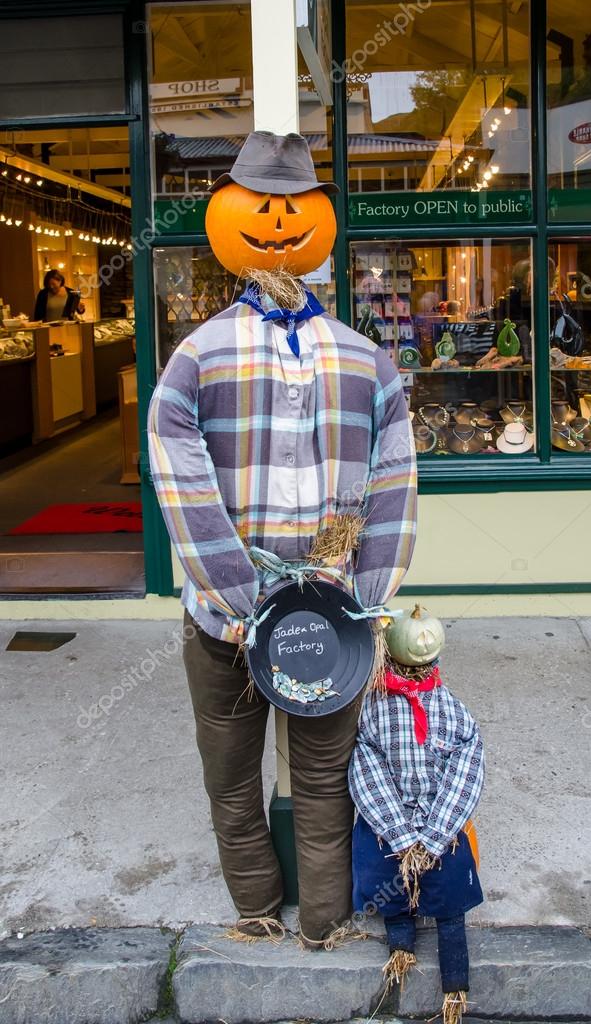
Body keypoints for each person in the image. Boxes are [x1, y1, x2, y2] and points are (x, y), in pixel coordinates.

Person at [147, 131, 417, 947]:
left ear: (319, 221)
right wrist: (241, 589)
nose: (276, 222)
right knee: (262, 774)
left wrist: (365, 591)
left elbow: (395, 479)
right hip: (243, 617)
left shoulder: (364, 361)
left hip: (305, 614)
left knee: (283, 775)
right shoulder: (202, 356)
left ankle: (302, 914)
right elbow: (177, 468)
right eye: (261, 206)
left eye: (293, 207)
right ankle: (277, 912)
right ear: (229, 216)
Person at [349, 608, 484, 1024]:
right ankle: (400, 945)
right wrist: (402, 835)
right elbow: (368, 774)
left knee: (450, 893)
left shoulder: (452, 712)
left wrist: (435, 834)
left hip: (438, 823)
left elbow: (465, 772)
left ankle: (455, 984)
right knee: (382, 872)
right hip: (394, 825)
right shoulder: (375, 712)